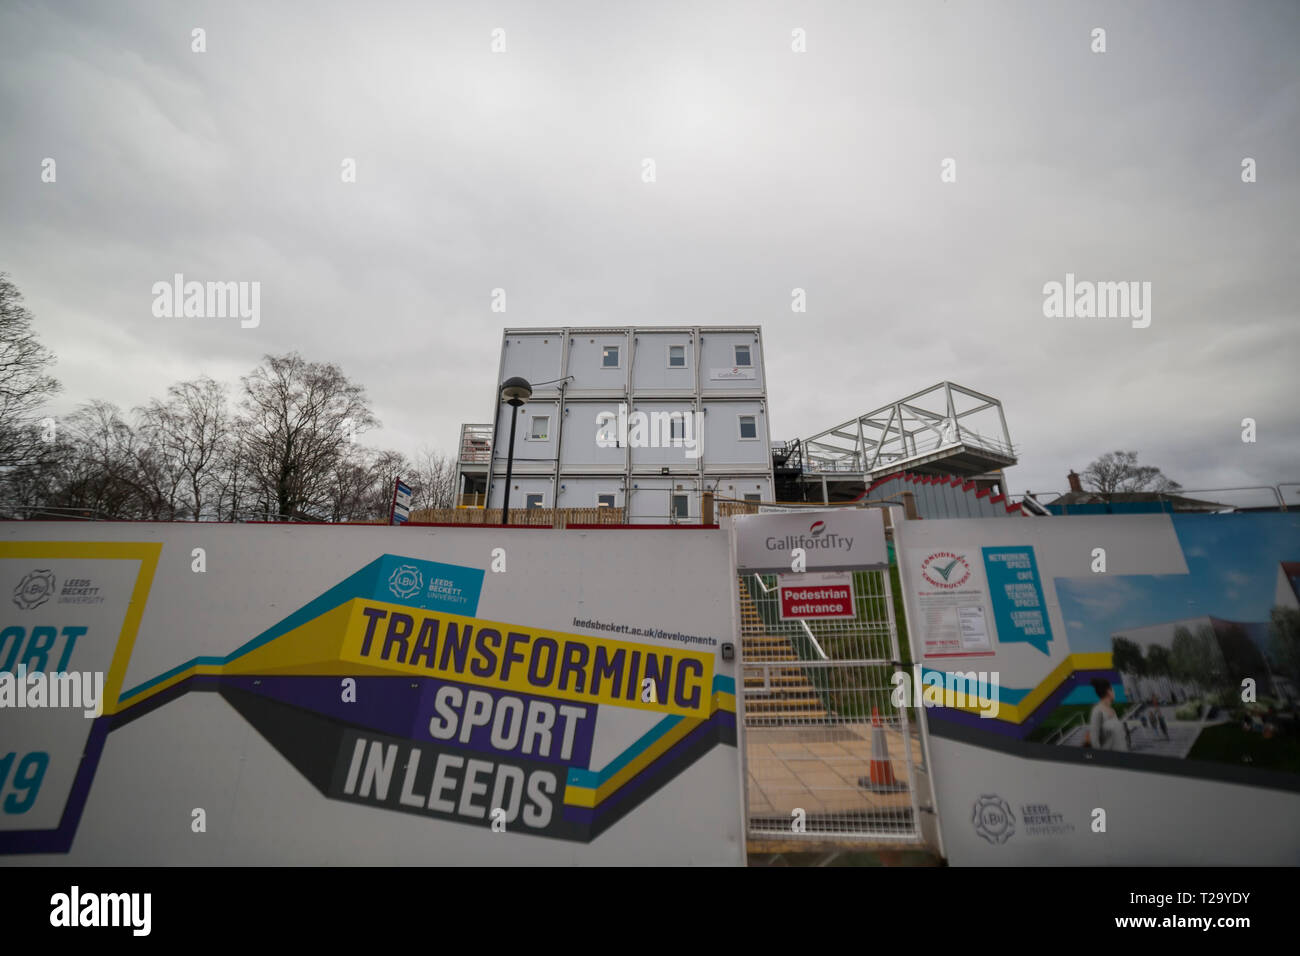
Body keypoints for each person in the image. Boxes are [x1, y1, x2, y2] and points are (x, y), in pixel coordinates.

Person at [1089, 678, 1129, 752]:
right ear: (1109, 692)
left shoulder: (1113, 711)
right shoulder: (1097, 711)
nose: (1114, 693)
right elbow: (1094, 741)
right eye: (1113, 690)